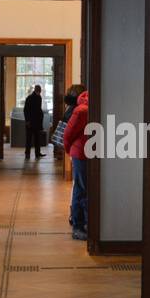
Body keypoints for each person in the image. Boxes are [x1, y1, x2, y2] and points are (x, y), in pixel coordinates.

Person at [61, 88, 89, 240]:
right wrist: (70, 150)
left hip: (87, 153)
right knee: (81, 188)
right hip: (81, 154)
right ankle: (78, 225)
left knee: (82, 187)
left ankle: (81, 222)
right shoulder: (82, 111)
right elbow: (67, 135)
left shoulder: (83, 109)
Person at [23, 84, 45, 160]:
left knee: (35, 138)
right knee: (31, 138)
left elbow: (36, 110)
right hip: (32, 121)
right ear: (37, 90)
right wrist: (27, 121)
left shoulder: (36, 97)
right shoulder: (30, 98)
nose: (40, 91)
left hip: (35, 121)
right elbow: (26, 110)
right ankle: (29, 153)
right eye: (39, 90)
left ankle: (34, 153)